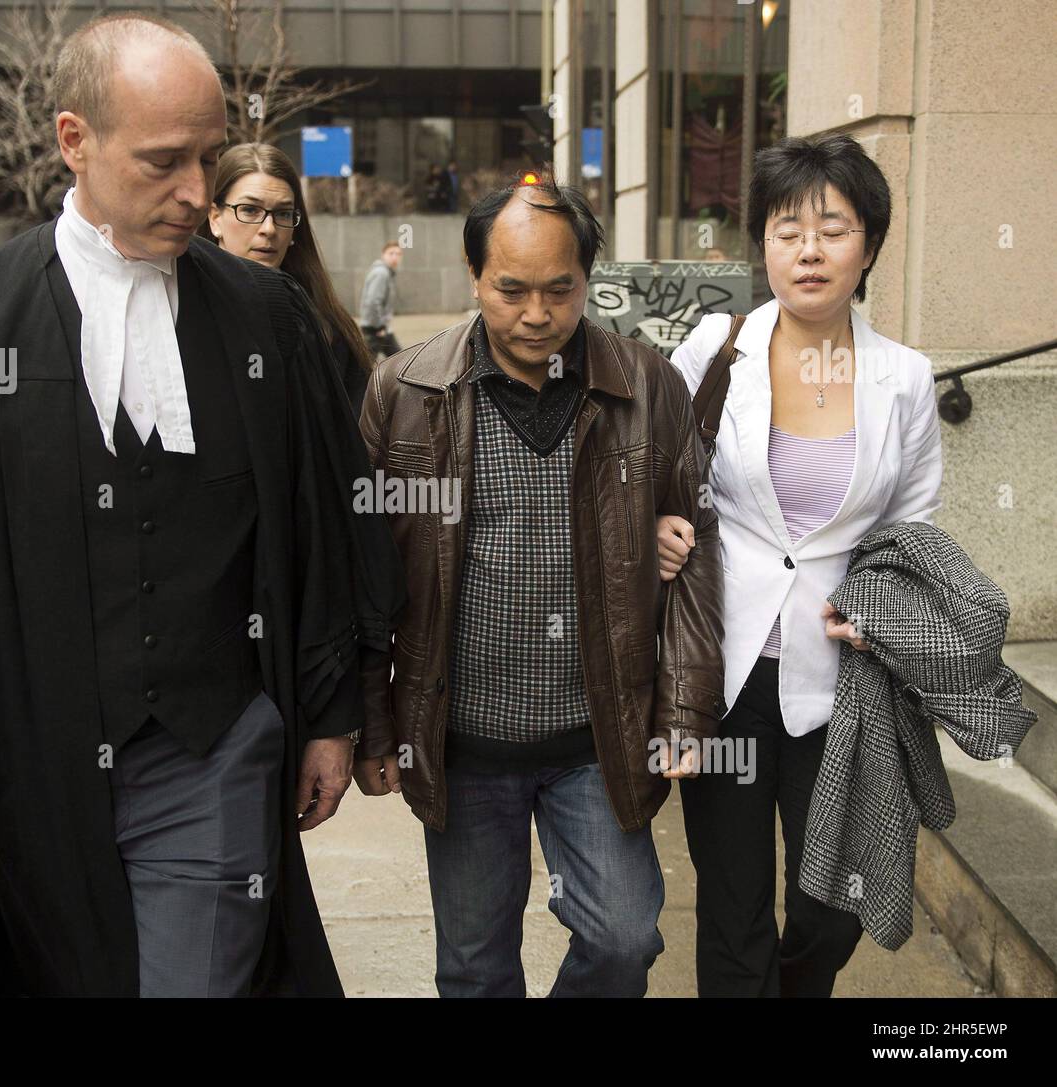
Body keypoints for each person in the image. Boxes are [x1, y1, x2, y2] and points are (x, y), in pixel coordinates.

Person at [0, 12, 403, 997]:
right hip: (27, 770)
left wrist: (331, 712)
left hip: (217, 754)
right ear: (74, 140)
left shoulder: (268, 322)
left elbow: (322, 531)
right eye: (163, 162)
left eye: (208, 158)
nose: (197, 193)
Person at [353, 173, 724, 997]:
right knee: (475, 966)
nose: (535, 313)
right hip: (461, 740)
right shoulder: (406, 389)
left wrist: (688, 711)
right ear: (473, 273)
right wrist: (373, 725)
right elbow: (367, 574)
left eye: (560, 290)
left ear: (587, 279)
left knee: (624, 940)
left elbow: (698, 548)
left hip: (598, 736)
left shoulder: (646, 383)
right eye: (511, 289)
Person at [657, 133, 943, 997]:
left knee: (832, 906)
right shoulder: (717, 348)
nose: (808, 250)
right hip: (725, 669)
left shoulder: (905, 377)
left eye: (834, 228)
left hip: (844, 680)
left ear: (870, 245)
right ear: (762, 243)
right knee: (732, 899)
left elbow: (912, 524)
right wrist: (663, 526)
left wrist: (881, 606)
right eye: (787, 229)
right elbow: (656, 470)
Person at [201, 142, 371, 409]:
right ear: (215, 218)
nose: (269, 229)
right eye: (249, 210)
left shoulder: (326, 327)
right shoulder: (180, 309)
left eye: (282, 213)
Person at [358, 241, 402, 362]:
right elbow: (373, 302)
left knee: (398, 359)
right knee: (401, 360)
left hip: (378, 327)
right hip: (376, 329)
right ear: (383, 255)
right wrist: (379, 327)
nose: (395, 257)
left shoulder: (386, 273)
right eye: (391, 253)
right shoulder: (381, 273)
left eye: (398, 254)